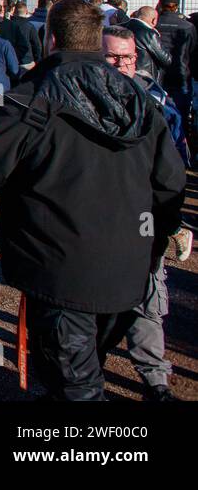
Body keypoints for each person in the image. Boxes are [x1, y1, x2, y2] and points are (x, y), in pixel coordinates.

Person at [0, 0, 184, 401]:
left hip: (63, 269)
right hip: (125, 268)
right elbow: (170, 184)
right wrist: (153, 243)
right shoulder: (139, 98)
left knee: (79, 385)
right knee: (76, 369)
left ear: (50, 38)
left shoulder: (33, 97)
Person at [102, 26, 184, 400]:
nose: (121, 65)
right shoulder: (78, 98)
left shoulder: (154, 101)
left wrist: (170, 224)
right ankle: (86, 371)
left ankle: (155, 379)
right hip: (95, 223)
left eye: (128, 57)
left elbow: (172, 171)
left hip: (143, 222)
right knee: (94, 307)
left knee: (148, 302)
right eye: (112, 57)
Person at [154, 0, 195, 130]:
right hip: (181, 75)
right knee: (181, 116)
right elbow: (193, 51)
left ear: (160, 4)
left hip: (157, 75)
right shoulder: (187, 26)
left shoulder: (154, 23)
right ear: (176, 6)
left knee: (158, 115)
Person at [125, 7, 172, 82]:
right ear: (154, 20)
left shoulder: (119, 27)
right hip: (144, 78)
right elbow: (166, 59)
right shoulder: (149, 34)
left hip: (120, 73)